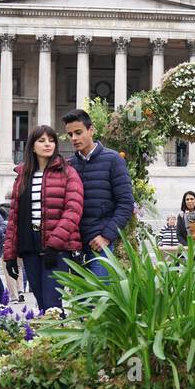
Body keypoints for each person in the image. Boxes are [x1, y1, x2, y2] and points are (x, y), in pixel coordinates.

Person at [4, 124, 84, 311]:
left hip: (57, 249)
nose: (48, 144)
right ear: (32, 146)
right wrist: (10, 256)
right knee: (41, 304)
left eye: (51, 140)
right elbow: (14, 217)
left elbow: (73, 210)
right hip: (30, 246)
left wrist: (54, 245)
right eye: (41, 141)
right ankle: (49, 339)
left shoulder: (67, 172)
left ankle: (58, 337)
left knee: (52, 304)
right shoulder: (22, 176)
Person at [63, 109, 134, 278]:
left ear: (91, 130)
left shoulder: (113, 159)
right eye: (70, 134)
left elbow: (126, 203)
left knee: (98, 299)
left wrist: (106, 236)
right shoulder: (69, 165)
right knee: (80, 301)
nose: (74, 138)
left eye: (78, 132)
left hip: (101, 244)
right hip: (75, 245)